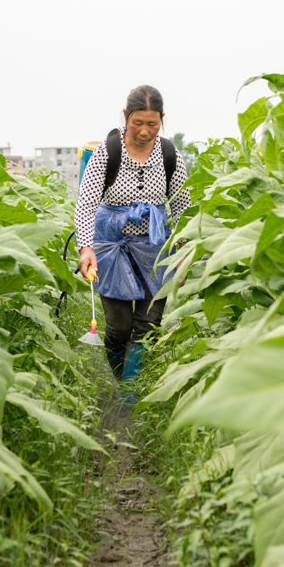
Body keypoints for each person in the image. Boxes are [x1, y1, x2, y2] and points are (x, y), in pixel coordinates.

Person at [75, 85, 190, 385]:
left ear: (162, 119)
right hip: (110, 248)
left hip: (154, 247)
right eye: (137, 123)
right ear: (125, 116)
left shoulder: (169, 155)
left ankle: (130, 396)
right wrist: (85, 248)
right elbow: (87, 203)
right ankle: (119, 382)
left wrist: (184, 252)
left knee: (148, 324)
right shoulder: (108, 152)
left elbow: (182, 207)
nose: (144, 131)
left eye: (152, 124)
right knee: (119, 328)